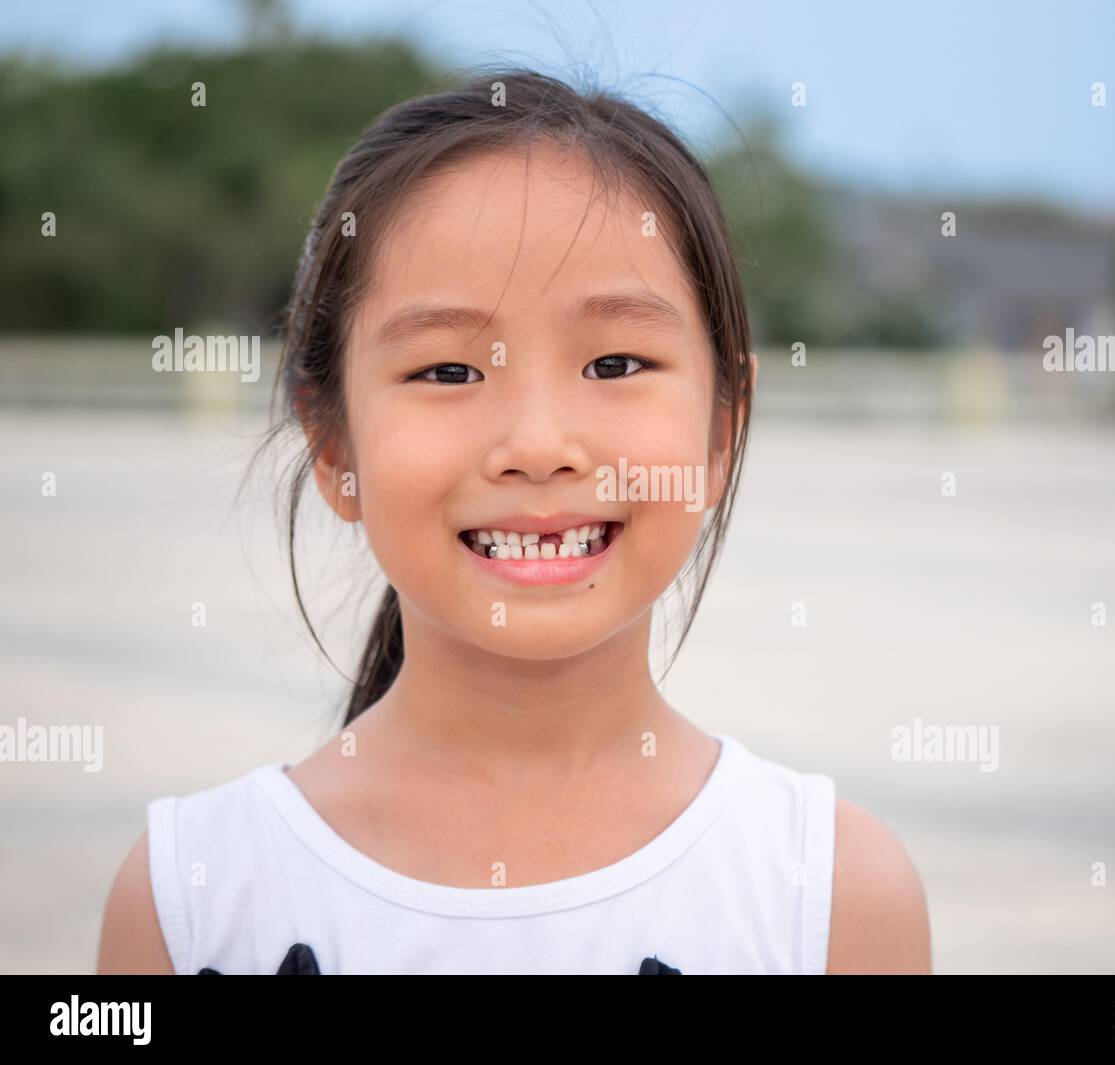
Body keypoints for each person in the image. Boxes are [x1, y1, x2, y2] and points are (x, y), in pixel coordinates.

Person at [98, 68, 930, 974]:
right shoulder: (191, 898)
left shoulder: (833, 895)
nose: (537, 446)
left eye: (615, 362)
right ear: (334, 446)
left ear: (721, 431)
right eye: (449, 371)